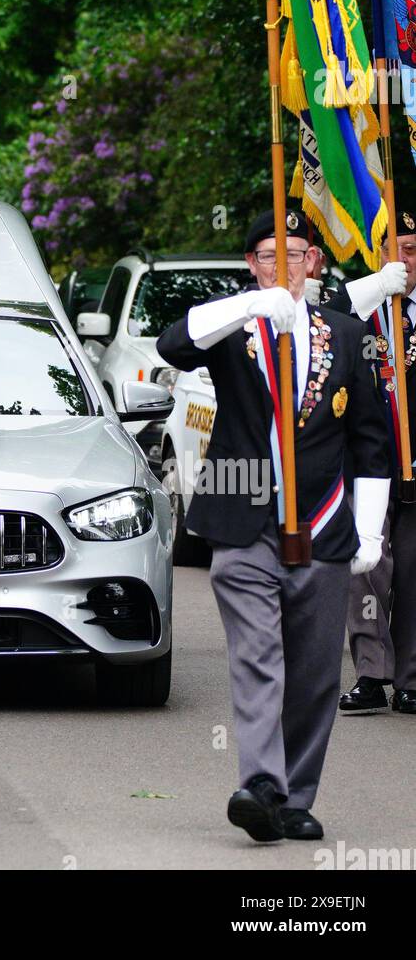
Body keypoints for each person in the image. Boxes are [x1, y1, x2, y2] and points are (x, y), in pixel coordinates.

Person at [156, 209, 391, 843]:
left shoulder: (346, 335)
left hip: (322, 524)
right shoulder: (232, 330)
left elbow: (371, 442)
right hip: (246, 521)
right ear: (250, 266)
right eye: (267, 255)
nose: (282, 266)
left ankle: (293, 798)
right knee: (261, 658)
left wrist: (368, 532)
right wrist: (247, 307)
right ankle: (261, 782)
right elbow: (173, 345)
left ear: (314, 263)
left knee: (315, 675)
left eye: (294, 254)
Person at [324, 211, 416, 717]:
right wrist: (379, 285)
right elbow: (327, 314)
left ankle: (411, 679)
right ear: (379, 254)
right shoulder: (361, 308)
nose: (406, 259)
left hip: (414, 461)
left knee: (413, 571)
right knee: (367, 571)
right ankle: (371, 674)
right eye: (396, 249)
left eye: (415, 249)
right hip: (365, 463)